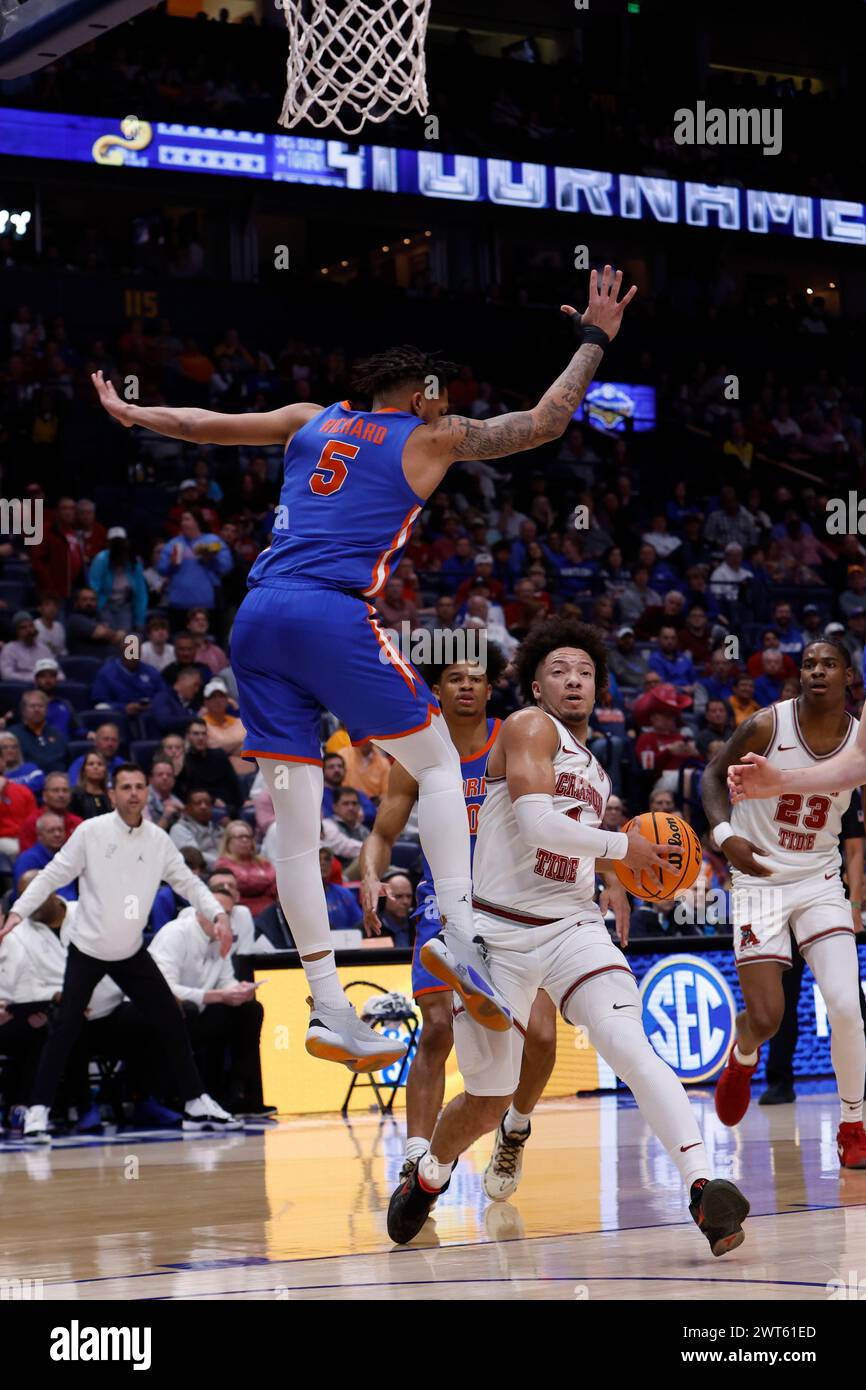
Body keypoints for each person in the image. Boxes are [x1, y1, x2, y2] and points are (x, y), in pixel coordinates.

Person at [93, 263, 636, 1072]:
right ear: (419, 393)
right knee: (443, 762)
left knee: (295, 821)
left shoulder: (312, 419)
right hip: (326, 612)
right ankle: (462, 936)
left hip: (257, 617)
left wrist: (132, 412)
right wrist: (595, 338)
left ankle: (327, 1006)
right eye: (442, 393)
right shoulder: (432, 437)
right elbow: (547, 421)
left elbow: (208, 424)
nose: (449, 407)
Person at [387, 617, 750, 1255]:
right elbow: (534, 824)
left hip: (573, 926)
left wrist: (628, 873)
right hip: (498, 930)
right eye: (559, 670)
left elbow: (580, 851)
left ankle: (703, 1188)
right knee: (489, 1095)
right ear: (534, 686)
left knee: (632, 1047)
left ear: (598, 687)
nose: (574, 680)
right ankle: (429, 1173)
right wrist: (626, 846)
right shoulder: (529, 729)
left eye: (584, 672)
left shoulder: (596, 768)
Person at [362, 647, 560, 1194]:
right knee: (438, 1027)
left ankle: (513, 1132)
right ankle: (416, 1154)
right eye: (455, 678)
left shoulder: (515, 740)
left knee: (540, 1037)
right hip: (443, 905)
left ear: (491, 688)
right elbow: (381, 834)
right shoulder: (418, 753)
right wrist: (372, 875)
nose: (467, 687)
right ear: (438, 689)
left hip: (515, 903)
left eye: (477, 678)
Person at [0, 764, 241, 1141]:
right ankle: (37, 1111)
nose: (132, 793)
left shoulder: (158, 841)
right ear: (112, 795)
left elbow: (189, 883)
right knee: (64, 1029)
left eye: (139, 787)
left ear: (147, 793)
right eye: (125, 787)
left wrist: (216, 914)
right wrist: (17, 912)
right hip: (89, 948)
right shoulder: (91, 832)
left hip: (130, 950)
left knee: (171, 1018)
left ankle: (197, 1102)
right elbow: (51, 875)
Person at [703, 639, 866, 1168]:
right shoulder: (769, 724)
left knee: (846, 1005)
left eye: (829, 664)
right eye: (809, 665)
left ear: (849, 675)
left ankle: (853, 1123)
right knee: (769, 1017)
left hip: (820, 877)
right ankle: (743, 1051)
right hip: (760, 877)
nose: (817, 671)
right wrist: (727, 836)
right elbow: (712, 778)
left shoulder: (860, 739)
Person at [759, 794, 866, 1106]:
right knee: (782, 997)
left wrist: (856, 904)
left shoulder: (841, 778)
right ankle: (779, 1079)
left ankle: (861, 1076)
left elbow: (855, 848)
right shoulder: (772, 773)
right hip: (779, 901)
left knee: (849, 997)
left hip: (824, 897)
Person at [214, 820, 277, 915]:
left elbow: (276, 884)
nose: (245, 840)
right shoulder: (223, 864)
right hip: (242, 911)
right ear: (228, 841)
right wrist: (266, 882)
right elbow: (244, 883)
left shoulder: (262, 862)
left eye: (248, 837)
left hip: (272, 909)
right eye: (240, 837)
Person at [13, 812, 78, 903]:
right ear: (40, 836)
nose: (57, 834)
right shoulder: (28, 860)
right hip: (43, 912)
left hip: (74, 908)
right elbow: (25, 897)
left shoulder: (69, 856)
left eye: (60, 830)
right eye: (51, 831)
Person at [8, 690, 68, 775]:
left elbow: (68, 762)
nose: (37, 709)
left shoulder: (58, 735)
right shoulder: (12, 735)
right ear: (23, 711)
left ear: (46, 710)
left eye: (40, 706)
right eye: (32, 706)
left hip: (56, 784)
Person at [18, 772, 81, 851]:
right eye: (55, 790)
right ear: (44, 795)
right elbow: (27, 856)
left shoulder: (77, 823)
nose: (61, 795)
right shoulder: (32, 822)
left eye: (65, 790)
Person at [170, 789, 224, 870]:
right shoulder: (179, 829)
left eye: (207, 803)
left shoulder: (219, 829)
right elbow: (193, 857)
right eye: (198, 803)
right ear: (187, 808)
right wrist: (225, 864)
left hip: (227, 870)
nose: (203, 806)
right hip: (199, 873)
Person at [318, 847, 364, 934]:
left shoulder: (344, 893)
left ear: (332, 864)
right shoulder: (302, 897)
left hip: (345, 944)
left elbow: (359, 922)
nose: (323, 863)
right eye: (318, 859)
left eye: (327, 859)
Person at [0, 612, 56, 682]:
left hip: (44, 687)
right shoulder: (9, 649)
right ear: (16, 631)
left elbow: (58, 672)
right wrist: (33, 678)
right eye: (23, 627)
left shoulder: (44, 649)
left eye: (31, 626)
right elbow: (6, 675)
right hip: (20, 689)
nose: (29, 630)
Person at [70, 750, 112, 820]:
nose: (95, 767)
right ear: (84, 771)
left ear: (105, 770)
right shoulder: (75, 795)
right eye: (91, 764)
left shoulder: (110, 796)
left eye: (100, 764)